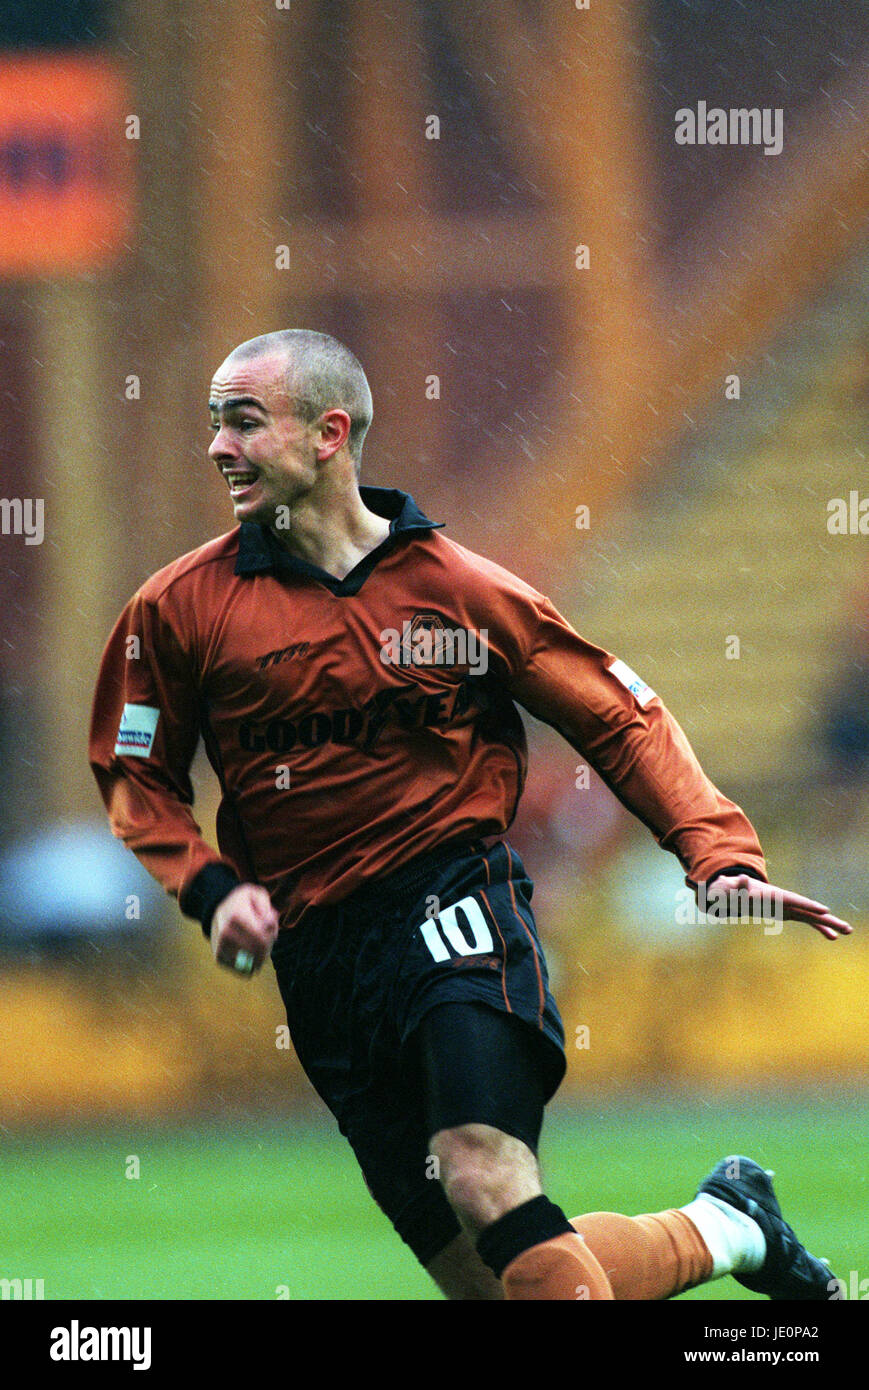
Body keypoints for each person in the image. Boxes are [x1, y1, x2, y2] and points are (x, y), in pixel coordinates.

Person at [89, 330, 851, 1301]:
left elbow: (614, 710)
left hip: (453, 907)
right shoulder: (177, 610)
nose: (218, 447)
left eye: (242, 420)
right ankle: (724, 1225)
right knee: (505, 1281)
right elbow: (132, 772)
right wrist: (208, 884)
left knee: (481, 1166)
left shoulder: (454, 590)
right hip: (321, 959)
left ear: (328, 434)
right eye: (211, 425)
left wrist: (713, 852)